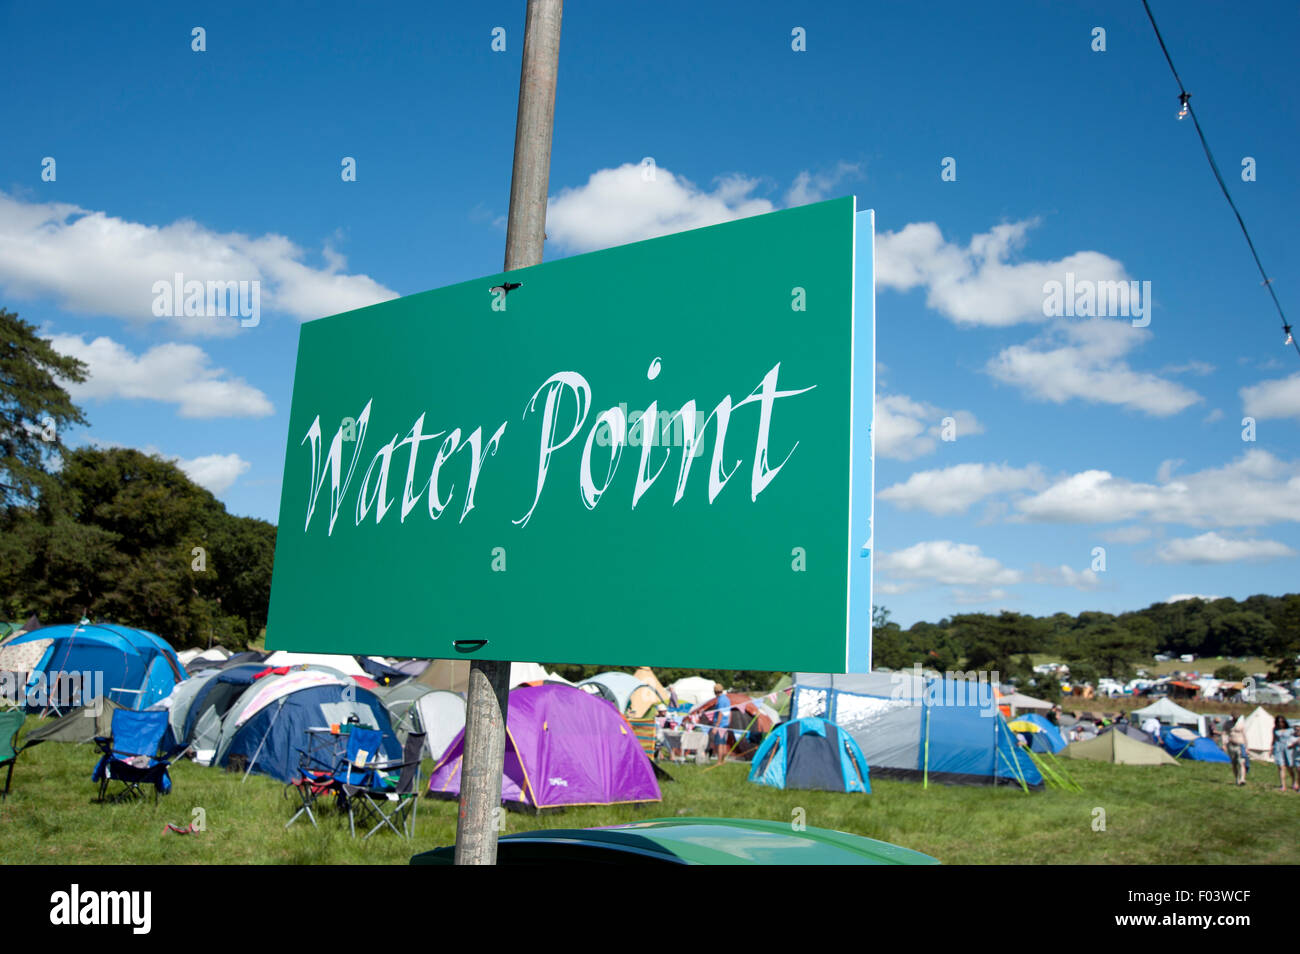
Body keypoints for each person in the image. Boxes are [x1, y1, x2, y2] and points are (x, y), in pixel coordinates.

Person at [1272, 716, 1296, 791]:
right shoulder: (1275, 730)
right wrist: (1271, 748)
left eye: (1282, 722)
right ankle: (1283, 785)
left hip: (1288, 749)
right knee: (1281, 767)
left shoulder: (1290, 730)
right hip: (1278, 749)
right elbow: (1274, 739)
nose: (1280, 724)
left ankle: (1294, 782)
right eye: (1279, 722)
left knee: (1289, 767)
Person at [1226, 716, 1248, 786]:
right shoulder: (1228, 724)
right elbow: (1224, 733)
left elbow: (1245, 735)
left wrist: (1247, 747)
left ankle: (1242, 779)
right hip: (1231, 746)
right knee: (1234, 764)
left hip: (1240, 745)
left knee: (1241, 763)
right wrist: (1224, 744)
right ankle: (1237, 779)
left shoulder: (1241, 725)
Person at [712, 682, 731, 763]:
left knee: (720, 743)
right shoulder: (727, 699)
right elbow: (729, 712)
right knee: (723, 743)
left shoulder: (720, 700)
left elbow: (720, 713)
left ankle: (719, 761)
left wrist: (716, 726)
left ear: (715, 691)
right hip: (725, 724)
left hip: (720, 725)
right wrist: (728, 722)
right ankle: (723, 761)